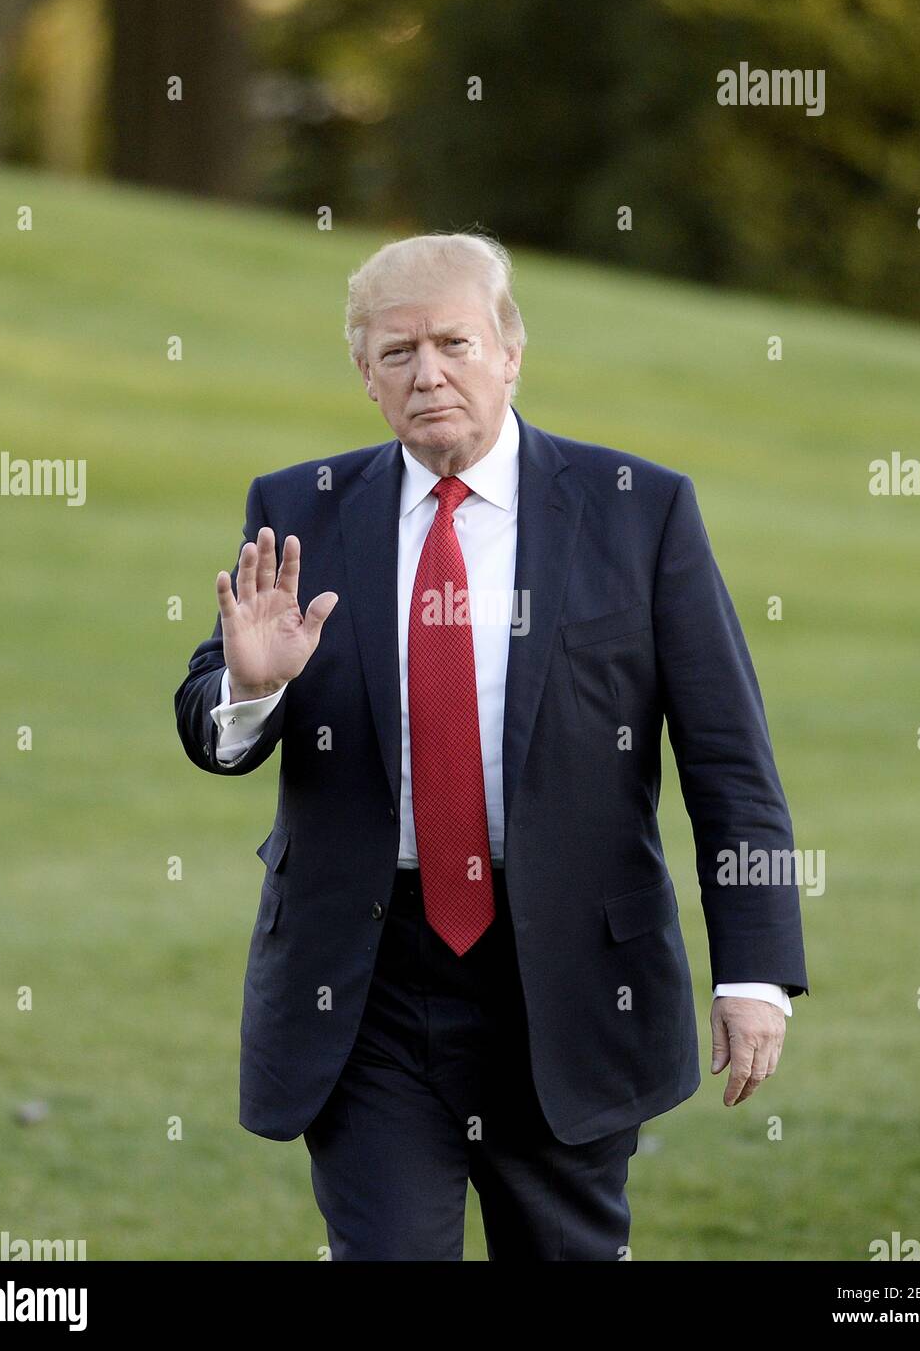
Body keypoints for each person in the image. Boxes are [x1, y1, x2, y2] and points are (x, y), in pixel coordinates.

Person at [174, 231, 808, 1261]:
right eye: (395, 353)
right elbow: (214, 724)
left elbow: (730, 760)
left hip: (567, 976)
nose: (427, 373)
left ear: (509, 349)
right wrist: (251, 686)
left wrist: (756, 971)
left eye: (452, 342)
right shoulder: (297, 509)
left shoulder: (639, 511)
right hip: (366, 977)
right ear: (365, 377)